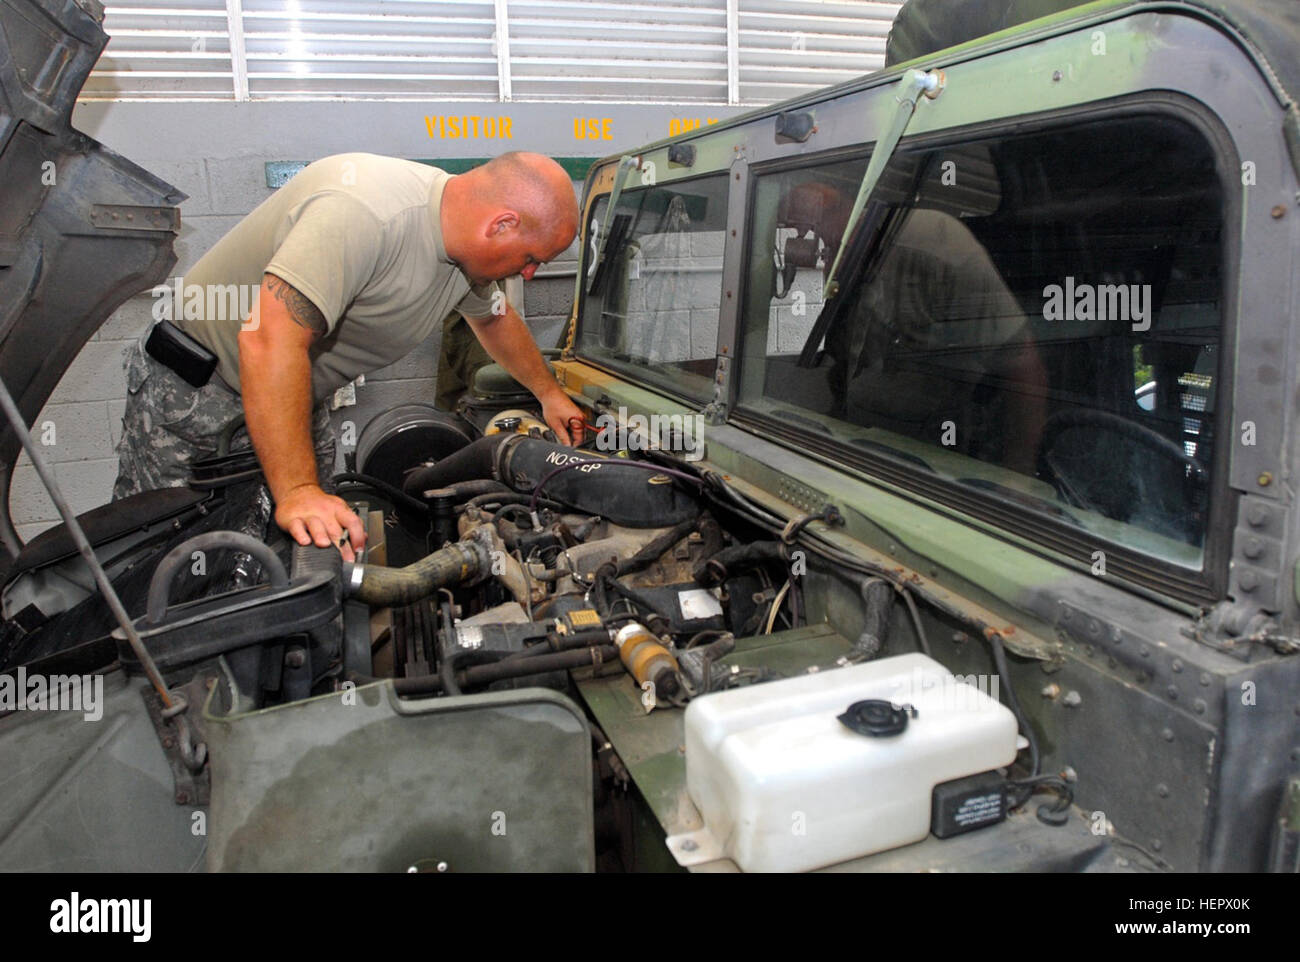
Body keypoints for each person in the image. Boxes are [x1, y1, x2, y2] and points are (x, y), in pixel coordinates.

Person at [113, 151, 584, 561]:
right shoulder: (363, 211)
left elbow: (495, 319)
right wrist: (297, 491)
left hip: (290, 393)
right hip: (197, 392)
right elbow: (267, 339)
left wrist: (548, 394)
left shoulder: (465, 253)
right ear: (500, 224)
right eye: (531, 258)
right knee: (162, 554)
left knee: (306, 548)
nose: (530, 274)